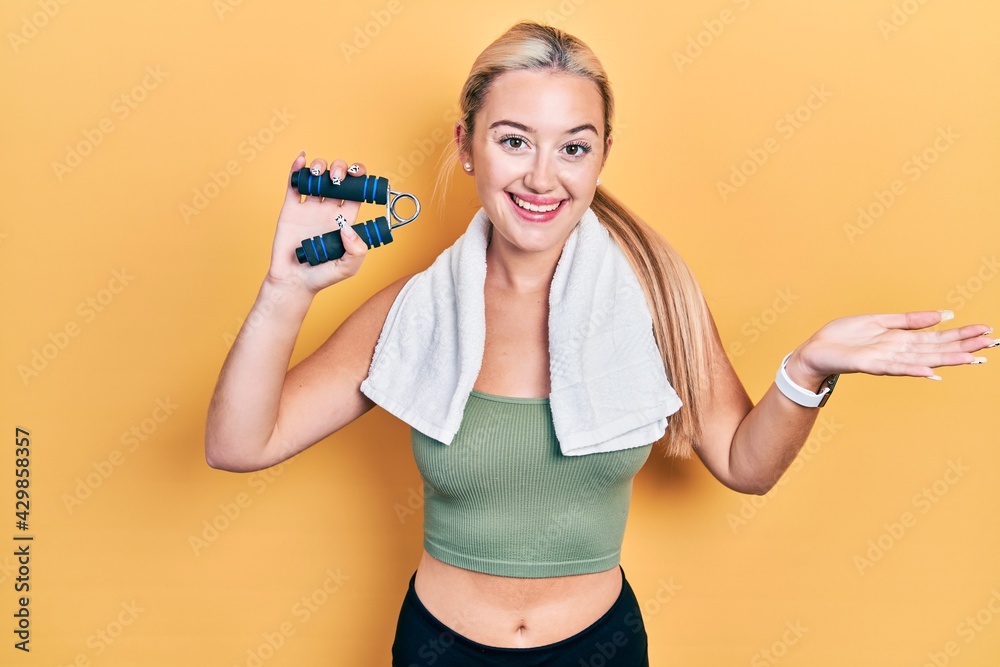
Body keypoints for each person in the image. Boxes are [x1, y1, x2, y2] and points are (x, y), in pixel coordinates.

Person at [204, 21, 995, 666]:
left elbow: (745, 464)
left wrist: (810, 364)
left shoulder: (653, 298)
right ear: (466, 145)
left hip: (600, 649)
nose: (542, 177)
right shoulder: (413, 312)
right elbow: (240, 443)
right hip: (438, 649)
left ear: (602, 155)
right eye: (514, 141)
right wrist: (285, 290)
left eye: (573, 147)